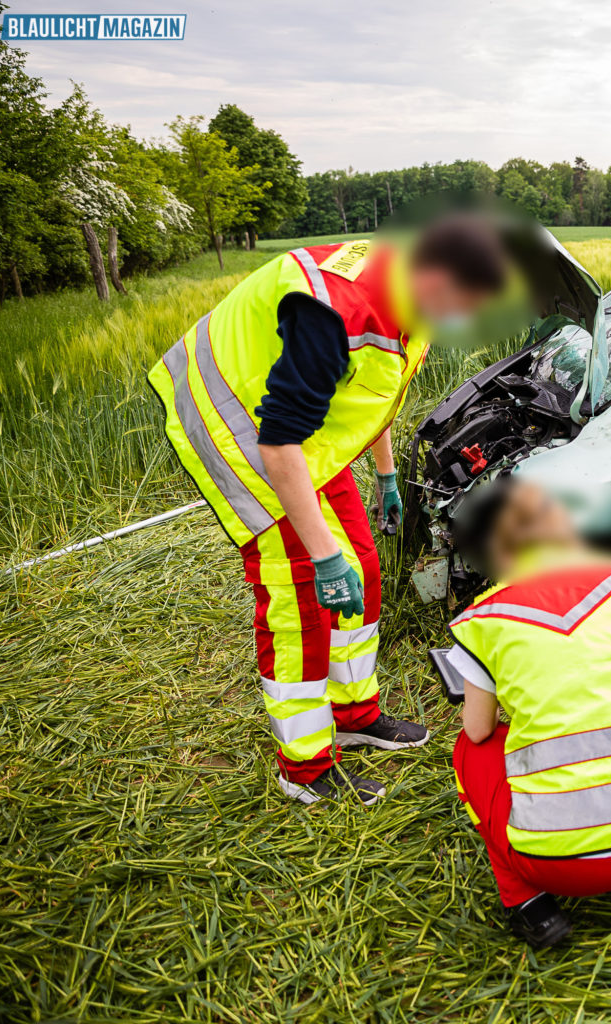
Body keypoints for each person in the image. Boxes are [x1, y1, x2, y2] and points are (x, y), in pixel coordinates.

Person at [147, 215, 506, 805]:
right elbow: (277, 441)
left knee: (362, 566)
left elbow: (373, 392)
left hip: (299, 437)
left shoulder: (417, 295)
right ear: (437, 274)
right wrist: (320, 554)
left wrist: (386, 474)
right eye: (464, 300)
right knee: (300, 602)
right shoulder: (332, 314)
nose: (463, 317)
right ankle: (305, 768)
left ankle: (353, 713)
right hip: (241, 430)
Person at [444, 478, 611, 949]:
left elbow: (479, 729)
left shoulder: (485, 618)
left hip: (558, 866)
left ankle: (530, 905)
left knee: (470, 752)